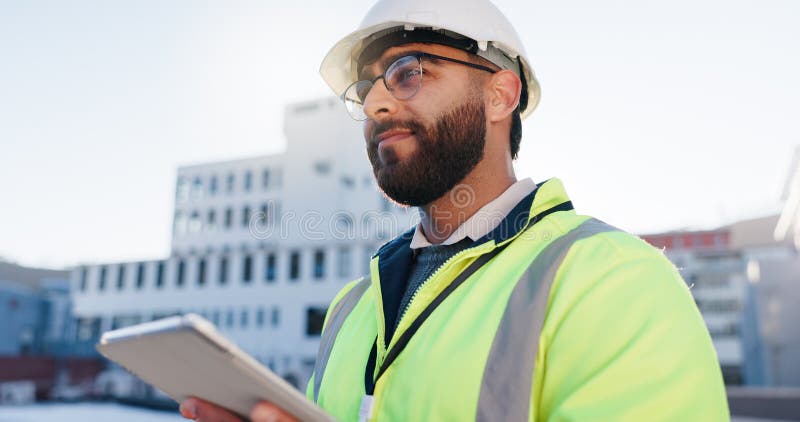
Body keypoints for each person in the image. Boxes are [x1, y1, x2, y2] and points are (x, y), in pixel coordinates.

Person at [180, 0, 729, 421]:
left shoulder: (614, 281)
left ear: (500, 96)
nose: (375, 103)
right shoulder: (352, 308)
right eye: (366, 88)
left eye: (408, 71)